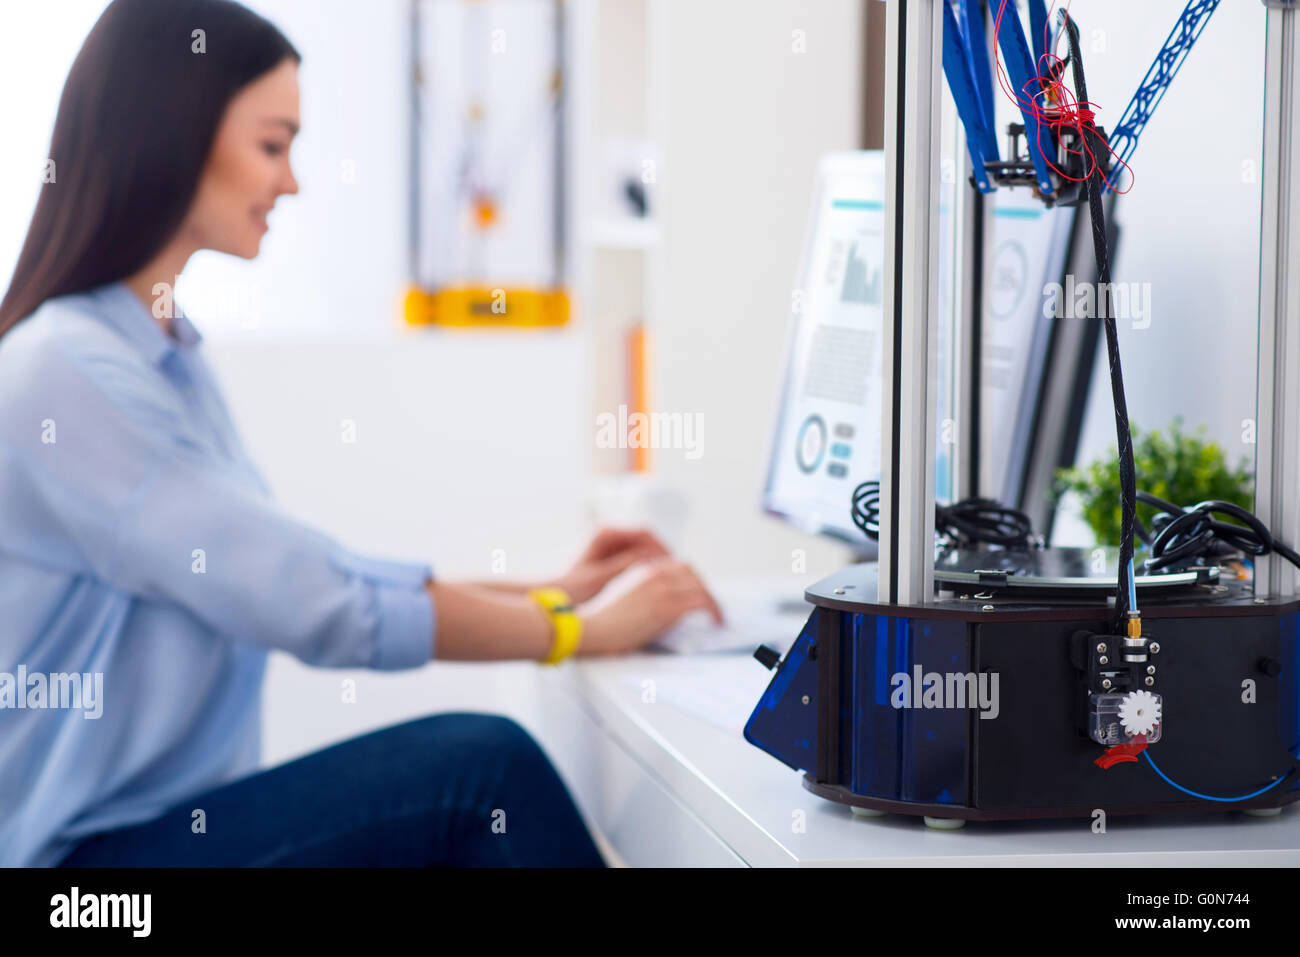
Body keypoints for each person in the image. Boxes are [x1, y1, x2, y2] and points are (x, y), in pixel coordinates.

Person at [0, 0, 720, 868]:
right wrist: (577, 630)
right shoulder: (67, 373)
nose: (293, 181)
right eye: (273, 145)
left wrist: (558, 592)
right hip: (81, 877)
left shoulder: (164, 352)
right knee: (482, 769)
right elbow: (317, 601)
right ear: (173, 134)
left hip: (153, 839)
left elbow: (319, 574)